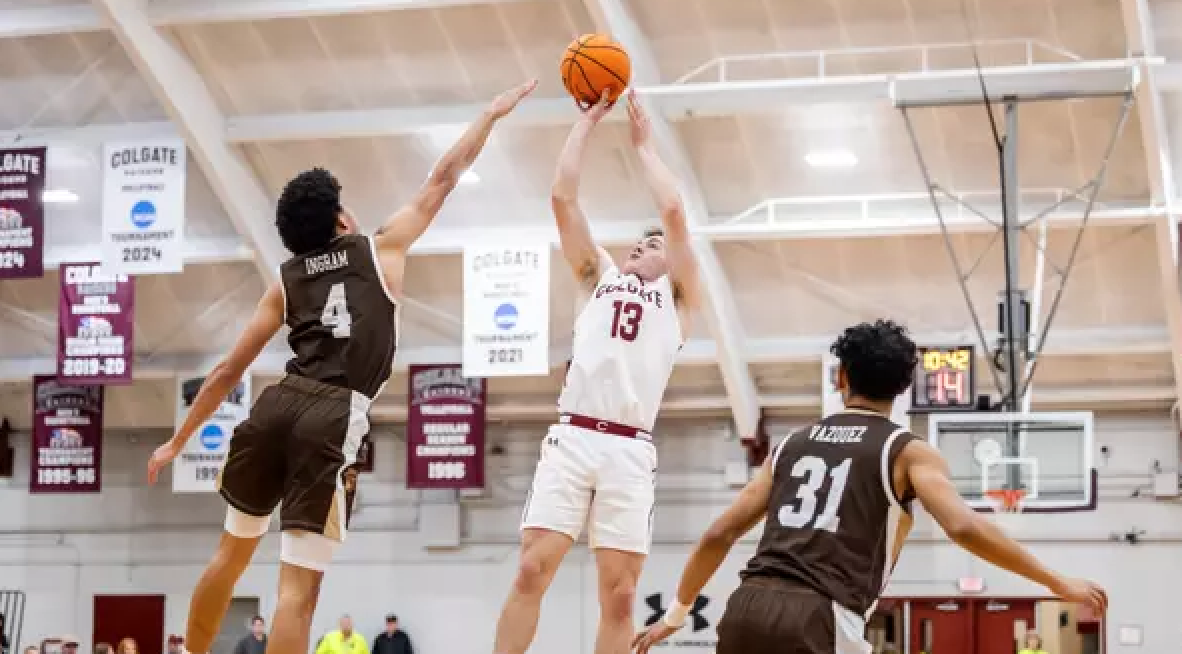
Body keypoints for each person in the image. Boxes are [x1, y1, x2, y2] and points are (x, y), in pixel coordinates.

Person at [144, 79, 538, 654]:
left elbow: (228, 369)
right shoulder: (382, 249)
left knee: (229, 559)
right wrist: (490, 114)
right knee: (297, 591)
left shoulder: (285, 279)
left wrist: (177, 440)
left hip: (278, 401)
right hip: (332, 413)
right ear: (342, 219)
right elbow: (444, 177)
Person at [633, 320, 1108, 654]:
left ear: (840, 378)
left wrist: (676, 616)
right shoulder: (908, 451)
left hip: (746, 607)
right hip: (820, 614)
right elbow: (962, 527)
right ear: (904, 389)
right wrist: (1056, 581)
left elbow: (718, 535)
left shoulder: (790, 446)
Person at [491, 89, 703, 654]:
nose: (643, 245)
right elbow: (562, 198)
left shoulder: (679, 300)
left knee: (622, 597)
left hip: (630, 449)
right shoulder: (600, 275)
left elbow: (676, 213)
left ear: (671, 263)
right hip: (575, 436)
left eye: (653, 244)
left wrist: (643, 145)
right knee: (531, 571)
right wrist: (585, 124)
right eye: (640, 240)